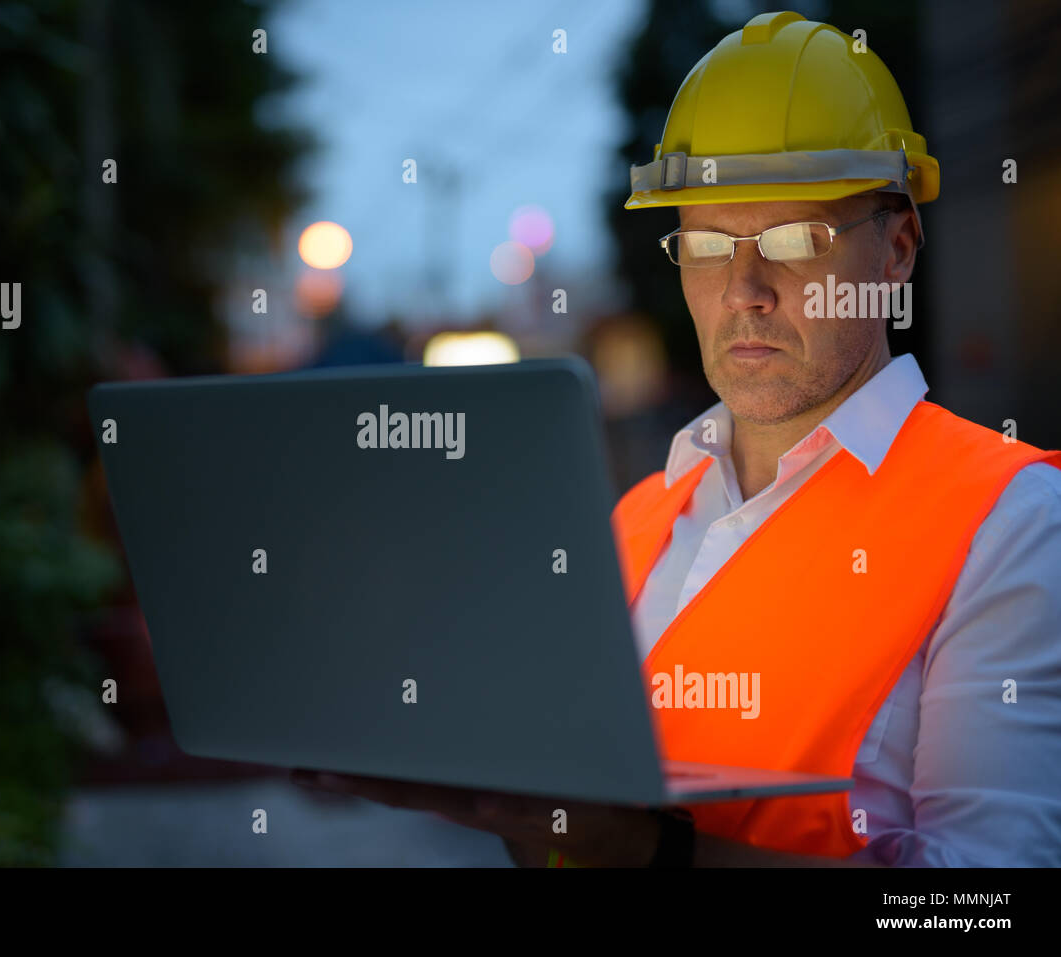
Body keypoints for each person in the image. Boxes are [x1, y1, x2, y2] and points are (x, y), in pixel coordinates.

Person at [292, 11, 1061, 867]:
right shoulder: (633, 524)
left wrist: (658, 853)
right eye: (704, 244)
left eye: (794, 238)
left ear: (898, 250)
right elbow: (566, 831)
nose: (744, 290)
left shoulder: (1009, 518)